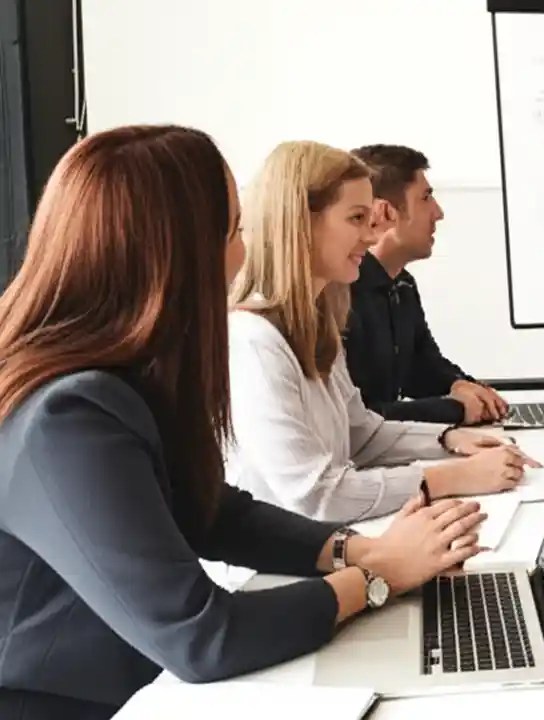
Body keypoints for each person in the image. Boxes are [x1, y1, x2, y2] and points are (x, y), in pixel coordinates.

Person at [0, 125, 488, 720]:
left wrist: (359, 549)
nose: (243, 249)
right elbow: (202, 637)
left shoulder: (121, 378)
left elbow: (211, 510)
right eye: (234, 230)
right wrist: (376, 576)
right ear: (177, 253)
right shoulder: (67, 415)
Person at [226, 141, 539, 524]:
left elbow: (362, 434)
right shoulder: (253, 342)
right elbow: (316, 496)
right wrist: (452, 477)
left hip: (330, 544)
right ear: (302, 223)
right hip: (268, 575)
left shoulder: (316, 322)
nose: (372, 236)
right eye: (356, 219)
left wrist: (449, 441)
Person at [344, 144, 508, 426]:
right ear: (384, 213)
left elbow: (421, 366)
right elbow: (361, 420)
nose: (438, 212)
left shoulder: (403, 286)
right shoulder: (342, 298)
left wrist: (459, 385)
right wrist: (454, 410)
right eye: (426, 197)